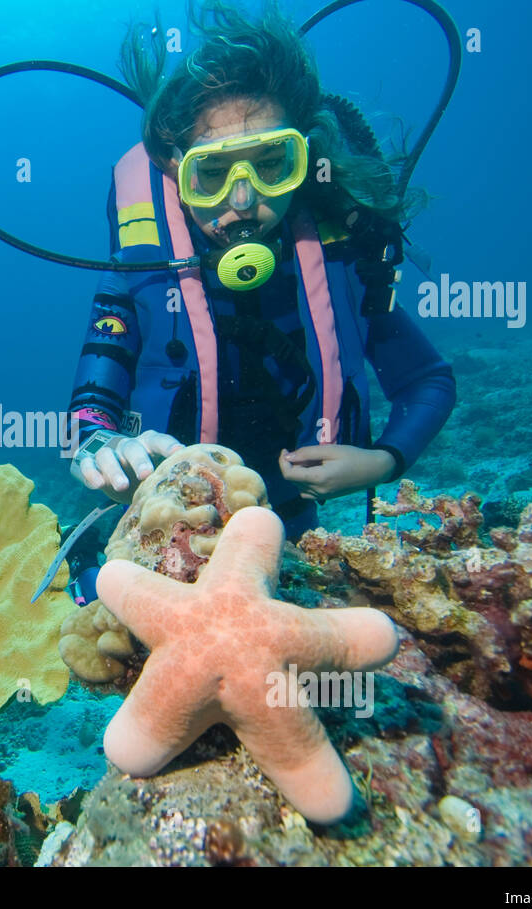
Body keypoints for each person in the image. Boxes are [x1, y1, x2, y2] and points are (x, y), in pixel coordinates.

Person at [67, 1, 456, 540]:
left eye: (272, 163)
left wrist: (385, 461)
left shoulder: (341, 261)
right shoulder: (142, 268)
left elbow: (426, 378)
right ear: (175, 171)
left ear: (302, 160)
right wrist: (100, 449)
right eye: (214, 172)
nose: (244, 200)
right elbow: (91, 408)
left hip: (291, 534)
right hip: (159, 531)